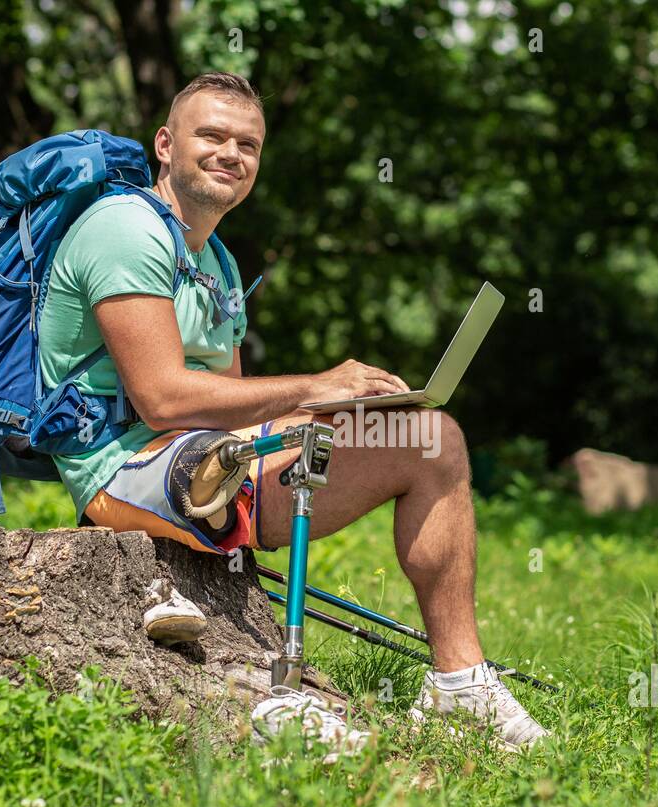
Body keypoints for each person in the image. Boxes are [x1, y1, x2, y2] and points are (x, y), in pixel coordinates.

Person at [37, 72, 548, 753]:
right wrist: (314, 389)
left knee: (431, 439)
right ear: (165, 144)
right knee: (300, 433)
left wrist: (333, 417)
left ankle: (460, 683)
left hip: (192, 458)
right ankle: (282, 692)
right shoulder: (124, 230)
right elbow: (161, 399)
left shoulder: (214, 260)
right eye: (211, 136)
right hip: (117, 470)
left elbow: (230, 408)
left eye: (247, 144)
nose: (230, 153)